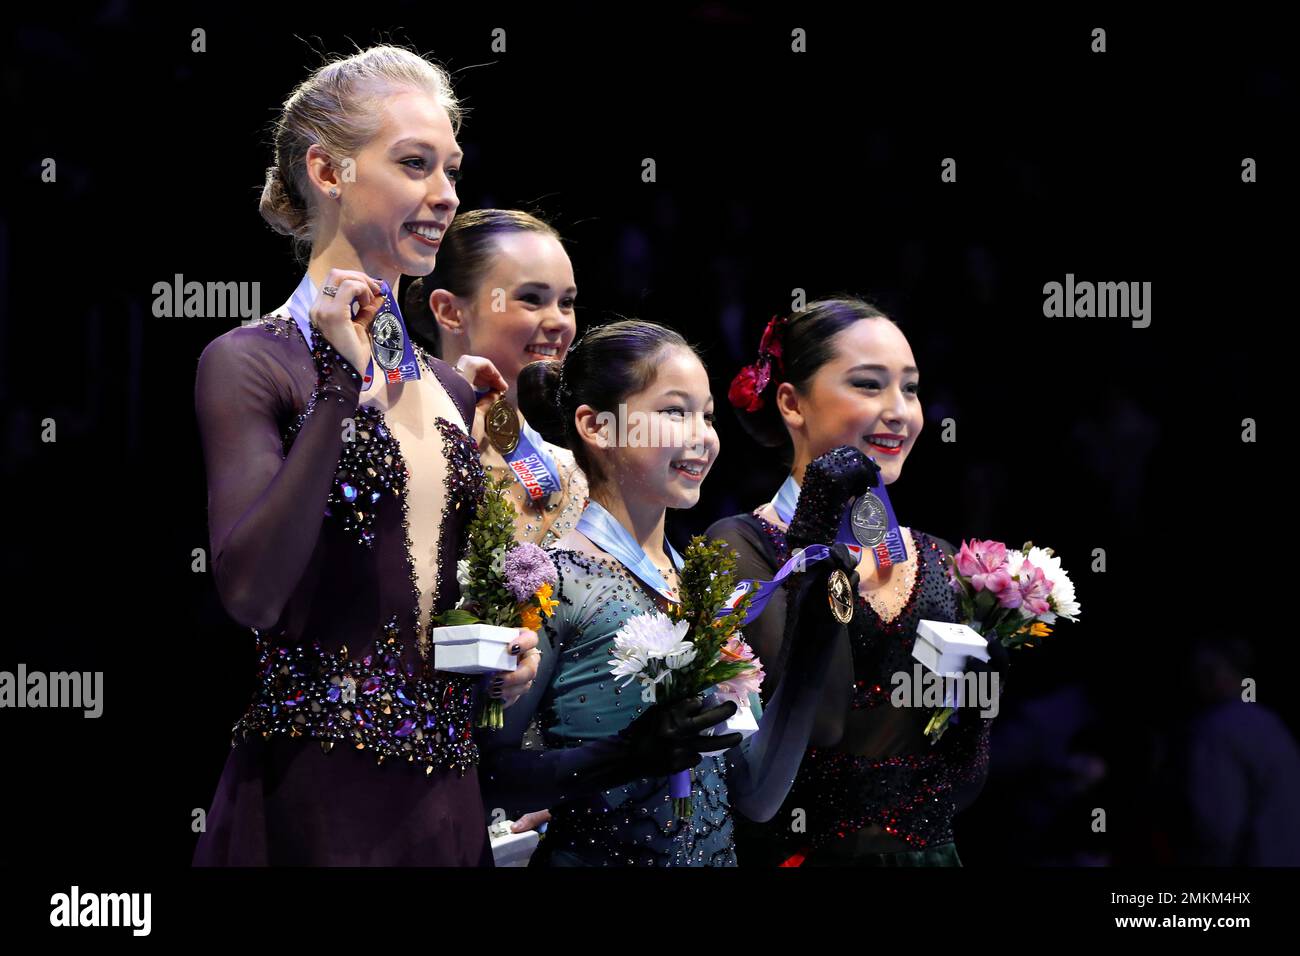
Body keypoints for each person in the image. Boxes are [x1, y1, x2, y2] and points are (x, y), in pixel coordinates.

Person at [192, 44, 540, 866]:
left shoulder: (454, 394)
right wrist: (341, 390)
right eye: (415, 164)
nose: (445, 194)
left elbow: (422, 589)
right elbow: (249, 592)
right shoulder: (252, 360)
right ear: (329, 170)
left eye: (452, 168)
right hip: (318, 801)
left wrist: (501, 649)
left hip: (447, 801)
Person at [477, 320, 861, 865]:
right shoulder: (546, 580)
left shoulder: (700, 588)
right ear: (596, 426)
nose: (702, 435)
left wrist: (815, 633)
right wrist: (626, 756)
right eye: (675, 411)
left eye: (707, 415)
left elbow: (754, 794)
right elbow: (488, 778)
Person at [708, 298, 1007, 866]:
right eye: (869, 386)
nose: (899, 411)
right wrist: (813, 538)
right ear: (792, 403)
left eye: (911, 389)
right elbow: (819, 723)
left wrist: (977, 709)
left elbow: (959, 792)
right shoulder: (744, 547)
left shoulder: (937, 558)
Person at [402, 209, 587, 549]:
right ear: (450, 311)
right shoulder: (397, 443)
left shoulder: (576, 474)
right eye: (531, 298)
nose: (559, 321)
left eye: (566, 302)